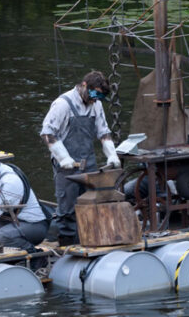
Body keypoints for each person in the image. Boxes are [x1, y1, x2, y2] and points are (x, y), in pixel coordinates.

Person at [40, 70, 120, 246]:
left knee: (92, 205)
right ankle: (68, 248)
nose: (95, 99)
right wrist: (64, 158)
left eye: (99, 96)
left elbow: (104, 132)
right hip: (67, 168)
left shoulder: (96, 104)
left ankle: (91, 242)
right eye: (93, 94)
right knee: (66, 210)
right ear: (84, 85)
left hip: (89, 164)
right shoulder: (62, 104)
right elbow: (47, 134)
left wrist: (111, 154)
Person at [0, 150, 48, 252]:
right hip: (12, 222)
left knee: (1, 237)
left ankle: (34, 256)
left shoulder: (10, 182)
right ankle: (8, 254)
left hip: (33, 225)